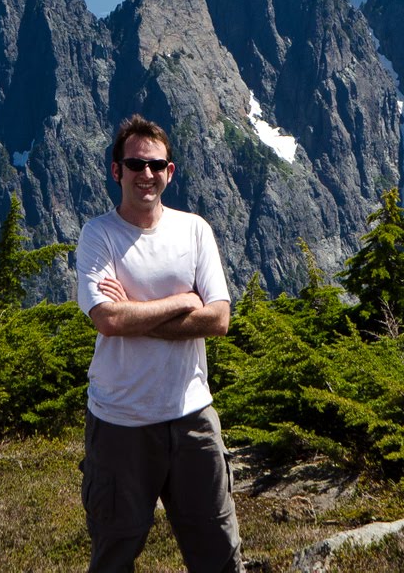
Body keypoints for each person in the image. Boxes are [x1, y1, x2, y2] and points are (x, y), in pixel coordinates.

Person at [75, 114, 243, 573]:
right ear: (117, 171)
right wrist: (183, 301)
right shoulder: (98, 236)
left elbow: (219, 318)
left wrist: (136, 312)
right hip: (119, 422)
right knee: (114, 553)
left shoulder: (194, 230)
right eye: (135, 164)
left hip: (192, 415)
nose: (145, 175)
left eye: (155, 165)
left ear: (170, 172)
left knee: (219, 553)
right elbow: (107, 319)